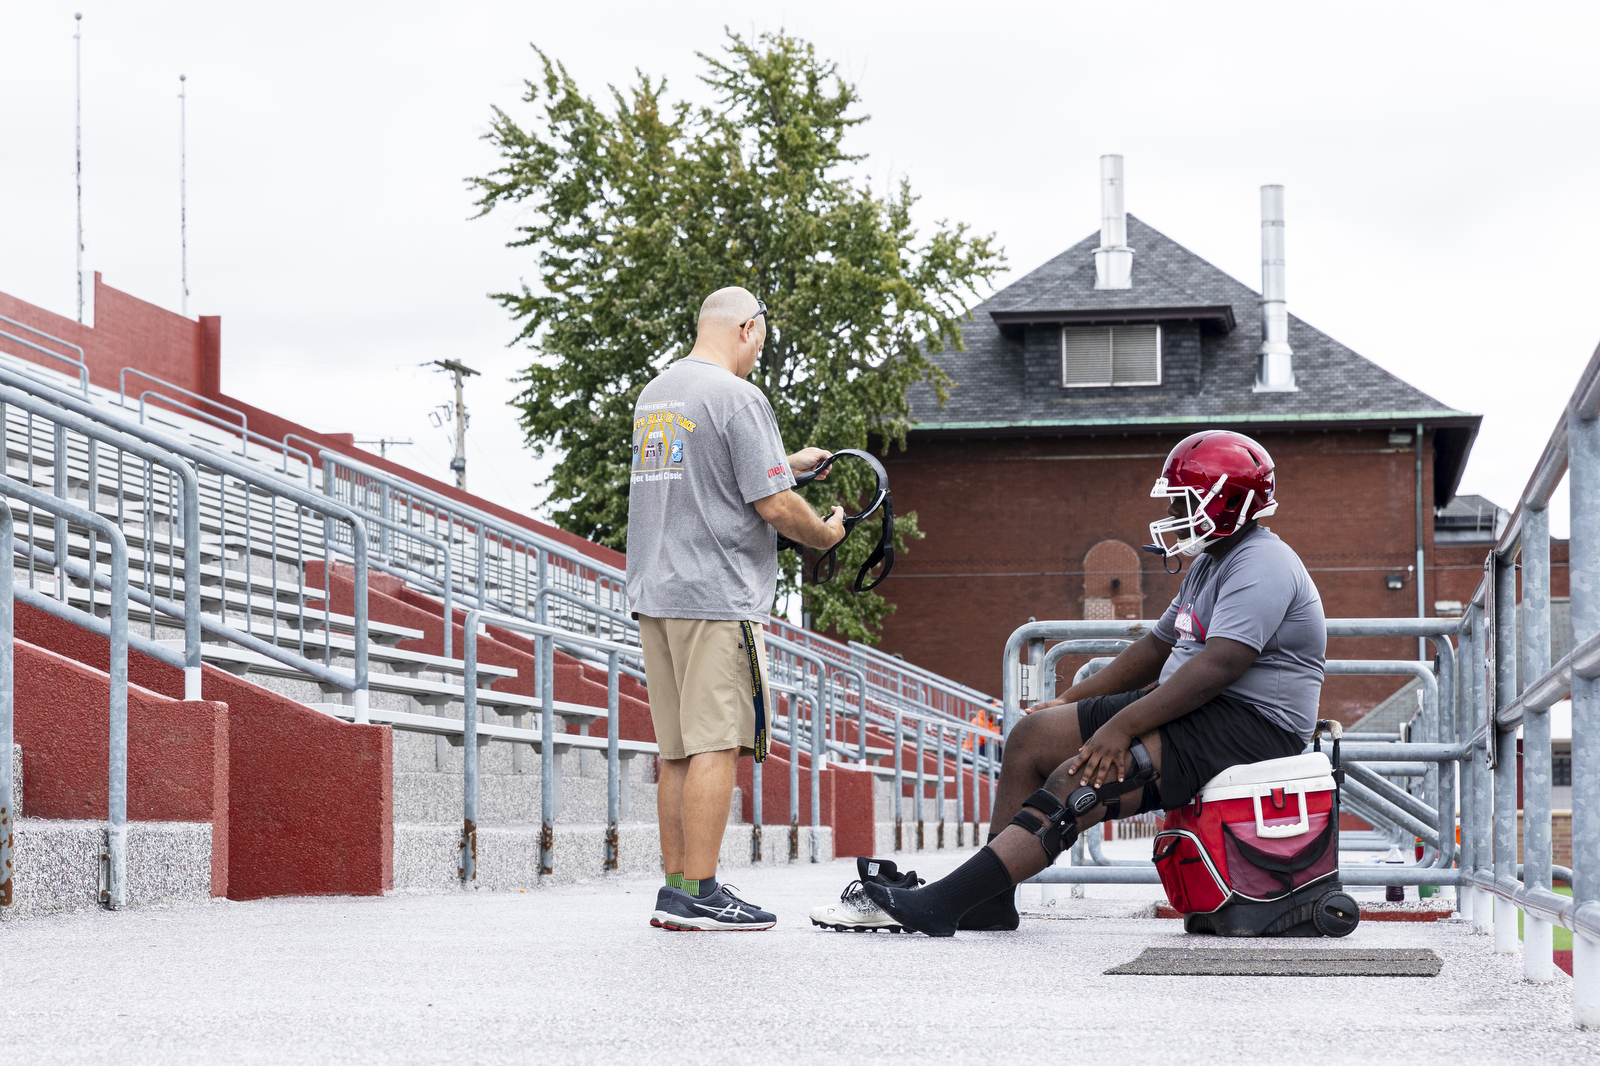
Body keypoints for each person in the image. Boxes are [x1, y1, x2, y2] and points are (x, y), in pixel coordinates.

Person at [854, 429, 1327, 937]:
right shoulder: (1211, 561)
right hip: (1202, 707)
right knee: (1032, 738)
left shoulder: (1264, 562)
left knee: (1080, 781)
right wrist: (1070, 698)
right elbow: (1156, 647)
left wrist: (1120, 728)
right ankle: (990, 903)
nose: (1173, 511)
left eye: (1184, 500)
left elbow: (1219, 667)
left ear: (1226, 502)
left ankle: (944, 903)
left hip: (1253, 724)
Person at [628, 286, 846, 931]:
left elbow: (711, 479)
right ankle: (702, 892)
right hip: (716, 599)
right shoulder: (739, 397)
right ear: (747, 328)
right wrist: (825, 534)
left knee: (677, 750)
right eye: (761, 340)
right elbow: (773, 506)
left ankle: (676, 888)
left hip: (657, 594)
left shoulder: (658, 394)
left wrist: (787, 464)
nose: (757, 352)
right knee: (717, 745)